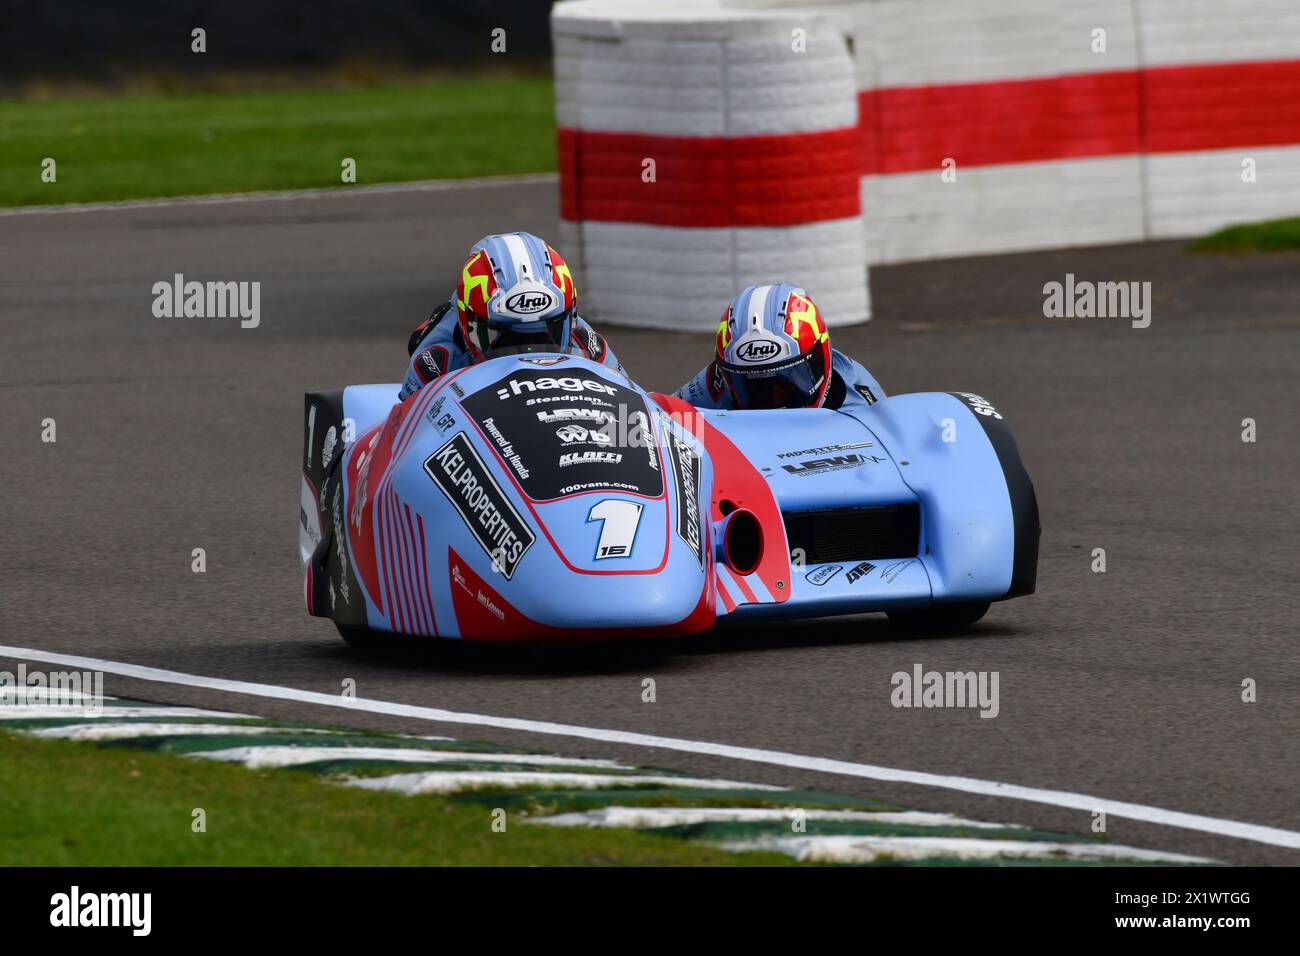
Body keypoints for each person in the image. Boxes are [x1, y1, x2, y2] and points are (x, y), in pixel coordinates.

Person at [400, 231, 622, 400]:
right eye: (506, 337)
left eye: (545, 334)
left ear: (569, 317)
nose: (529, 354)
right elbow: (402, 434)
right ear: (467, 322)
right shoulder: (436, 361)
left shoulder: (587, 343)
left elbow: (634, 402)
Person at [676, 283, 885, 410]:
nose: (773, 402)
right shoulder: (715, 384)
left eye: (787, 385)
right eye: (755, 389)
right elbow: (659, 420)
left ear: (819, 362)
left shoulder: (862, 403)